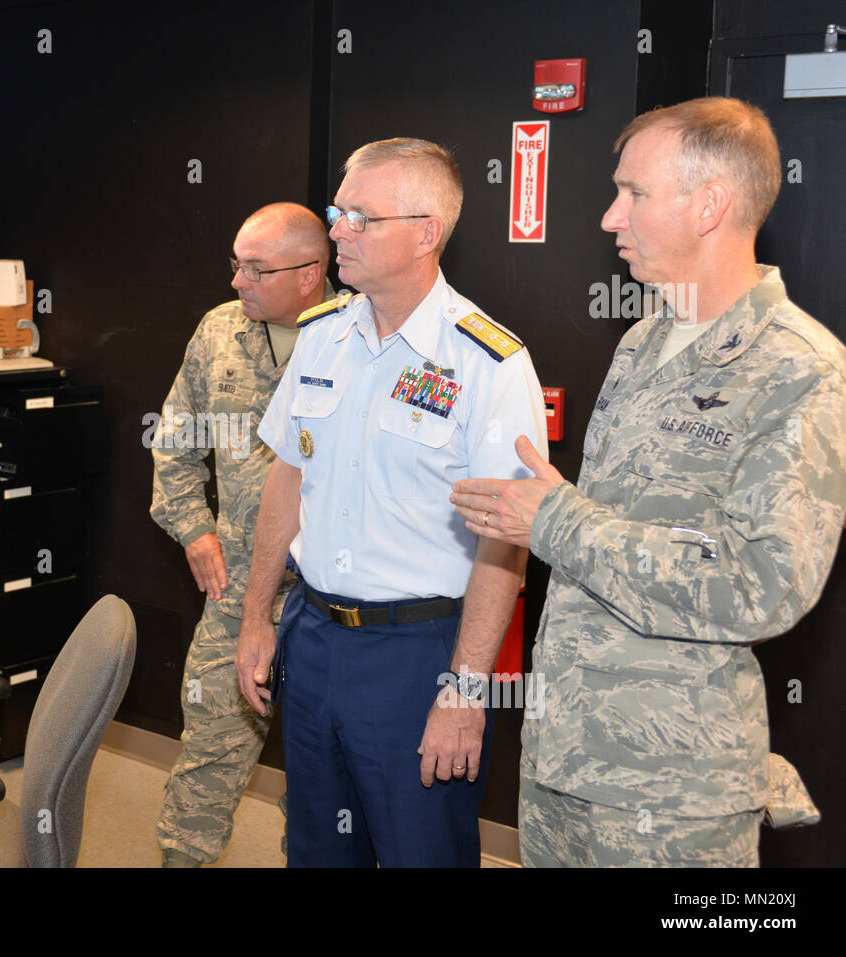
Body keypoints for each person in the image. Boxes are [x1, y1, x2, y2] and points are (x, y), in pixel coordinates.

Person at [449, 97, 846, 866]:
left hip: (673, 797)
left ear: (710, 205)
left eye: (633, 193)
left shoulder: (801, 369)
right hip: (568, 757)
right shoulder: (646, 338)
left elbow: (763, 585)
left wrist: (555, 522)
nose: (608, 216)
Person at [236, 139, 547, 866]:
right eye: (338, 211)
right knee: (315, 849)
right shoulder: (320, 337)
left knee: (421, 852)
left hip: (419, 655)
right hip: (312, 637)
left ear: (426, 231)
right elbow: (287, 478)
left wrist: (466, 689)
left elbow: (507, 542)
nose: (338, 229)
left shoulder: (488, 363)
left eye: (360, 218)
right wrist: (257, 617)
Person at [151, 202, 331, 867]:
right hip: (236, 587)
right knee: (209, 743)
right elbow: (174, 442)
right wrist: (195, 529)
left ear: (311, 272)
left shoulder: (359, 338)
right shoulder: (219, 331)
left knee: (325, 769)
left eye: (256, 268)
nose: (237, 280)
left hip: (329, 598)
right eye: (236, 263)